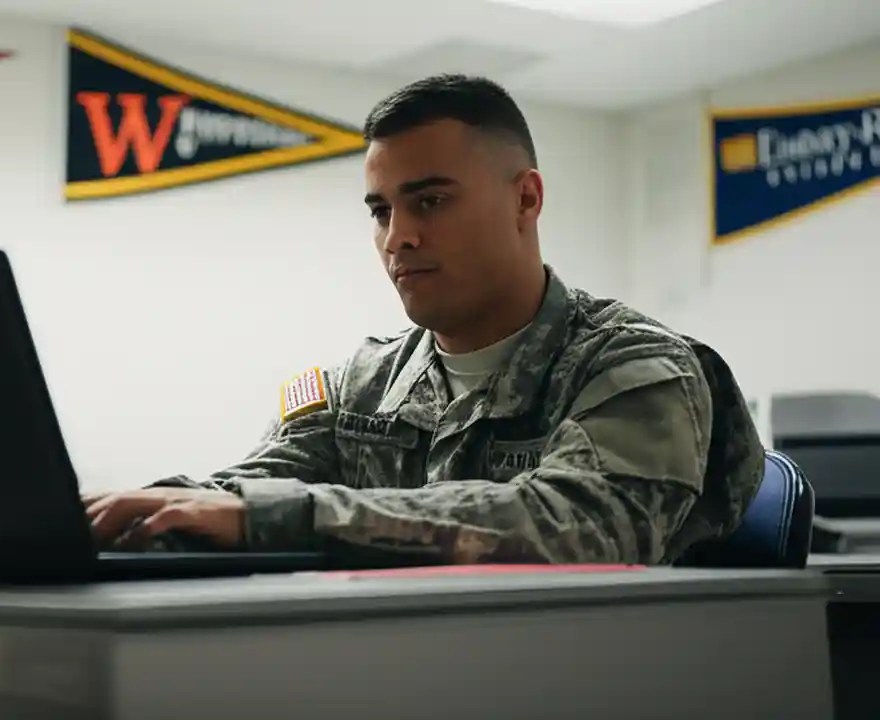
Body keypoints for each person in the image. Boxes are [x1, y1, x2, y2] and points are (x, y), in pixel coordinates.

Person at [83, 74, 764, 566]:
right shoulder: (358, 384)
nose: (396, 237)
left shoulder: (636, 366)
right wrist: (121, 510)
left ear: (525, 199)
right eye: (381, 211)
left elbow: (582, 526)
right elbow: (250, 487)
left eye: (430, 202)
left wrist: (292, 517)